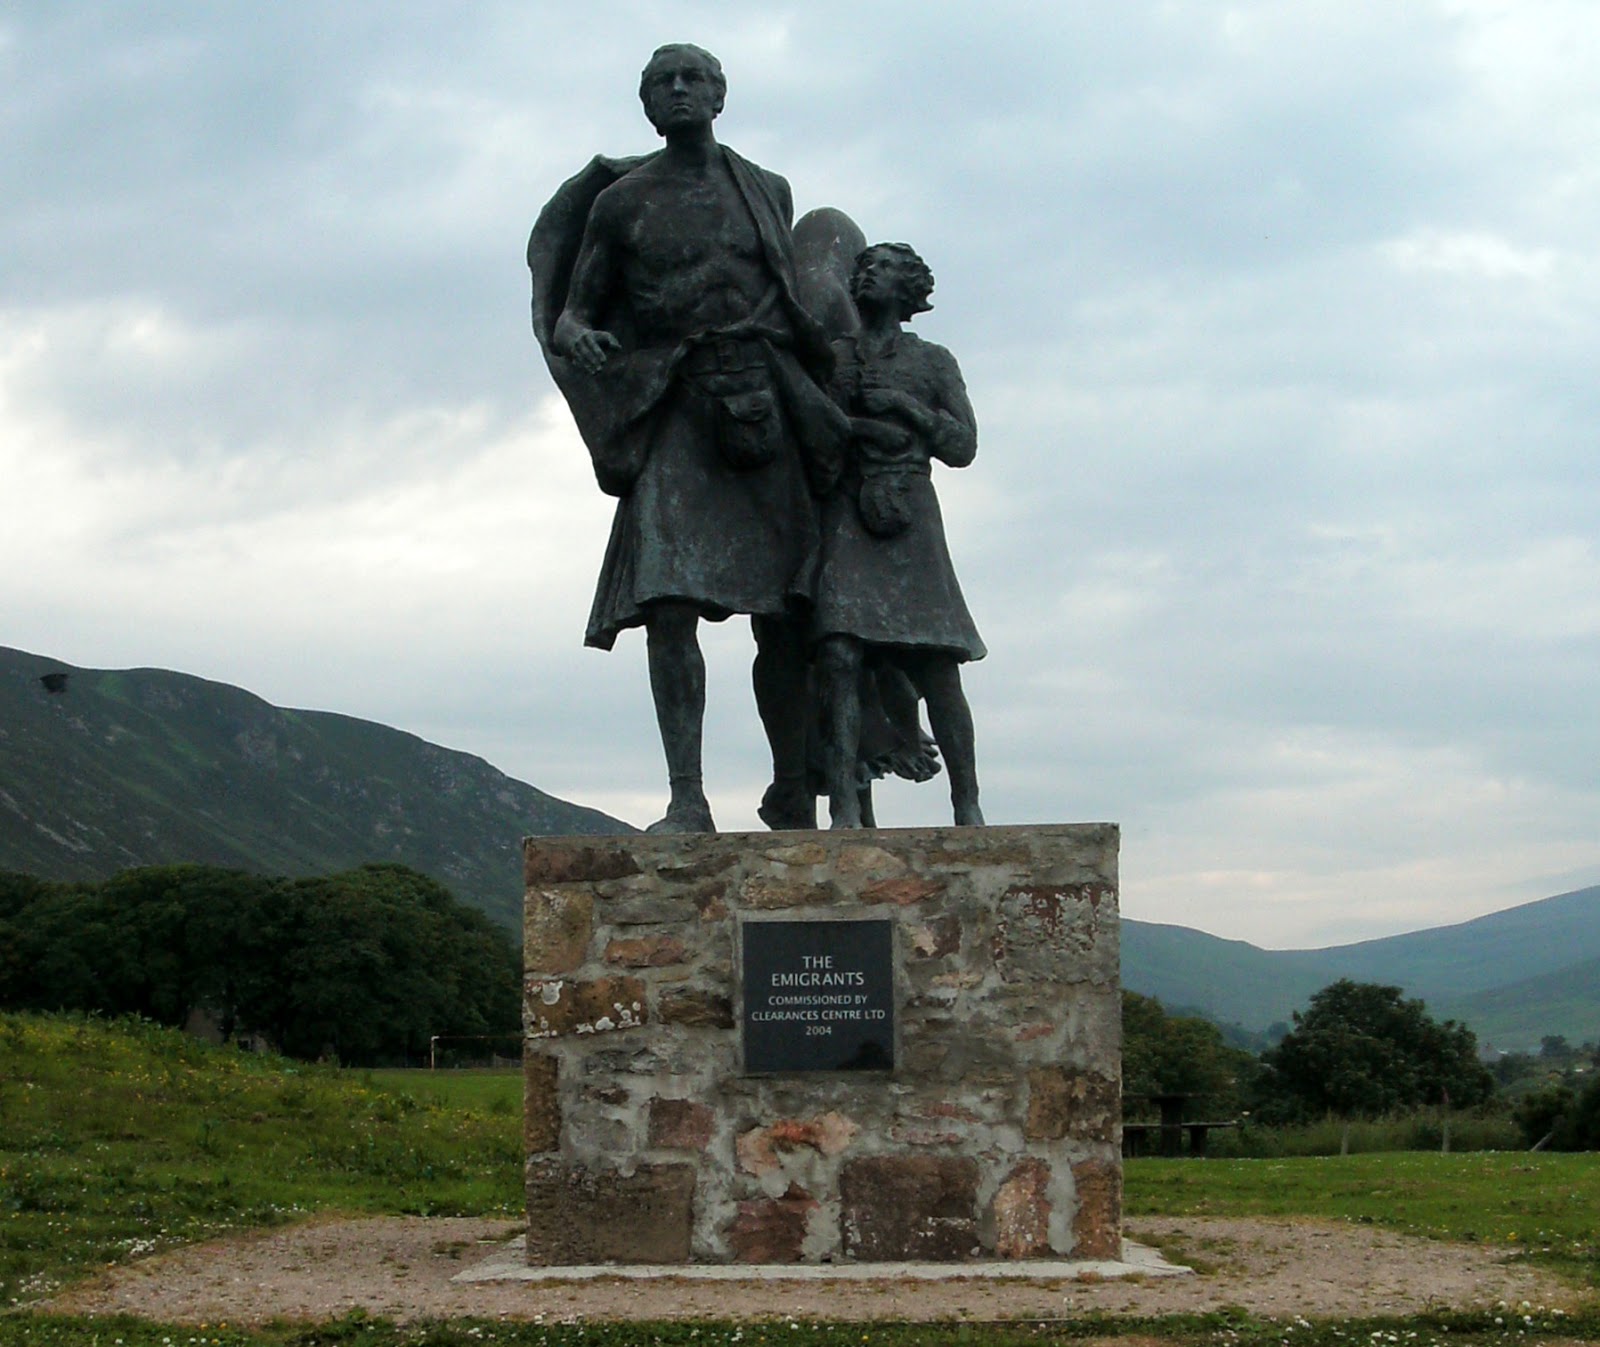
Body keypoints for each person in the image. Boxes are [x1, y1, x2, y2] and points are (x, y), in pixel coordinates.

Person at [527, 44, 847, 833]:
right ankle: (687, 796)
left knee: (786, 609)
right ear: (645, 105)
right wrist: (580, 337)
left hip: (762, 401)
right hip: (675, 398)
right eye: (661, 83)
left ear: (718, 95)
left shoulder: (765, 189)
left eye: (691, 79)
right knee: (667, 602)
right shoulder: (623, 203)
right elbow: (577, 309)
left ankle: (793, 791)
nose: (677, 91)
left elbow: (799, 295)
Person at [815, 243, 986, 828]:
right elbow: (818, 431)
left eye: (882, 267)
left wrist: (907, 409)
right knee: (839, 653)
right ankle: (843, 807)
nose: (867, 273)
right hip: (849, 504)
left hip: (911, 506)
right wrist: (863, 426)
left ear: (909, 286)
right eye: (862, 266)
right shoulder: (834, 357)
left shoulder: (933, 361)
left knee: (938, 664)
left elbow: (962, 445)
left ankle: (968, 806)